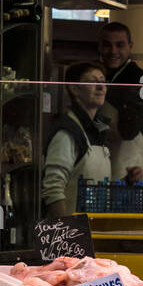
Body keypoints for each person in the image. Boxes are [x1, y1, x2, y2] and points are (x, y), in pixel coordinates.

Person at [42, 62, 121, 217]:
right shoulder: (66, 133)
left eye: (103, 81)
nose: (100, 87)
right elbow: (53, 189)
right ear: (74, 89)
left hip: (94, 229)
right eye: (92, 82)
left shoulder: (98, 129)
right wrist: (68, 234)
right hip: (73, 235)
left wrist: (127, 181)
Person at [99, 21, 143, 183]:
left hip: (132, 165)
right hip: (107, 162)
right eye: (107, 45)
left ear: (130, 46)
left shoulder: (140, 78)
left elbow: (128, 131)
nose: (113, 51)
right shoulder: (102, 75)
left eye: (120, 45)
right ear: (99, 46)